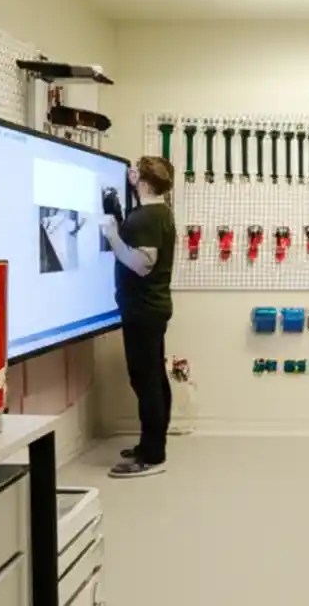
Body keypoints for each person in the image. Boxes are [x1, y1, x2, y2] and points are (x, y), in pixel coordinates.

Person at [101, 156, 177, 478]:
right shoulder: (159, 213)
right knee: (154, 378)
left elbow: (142, 264)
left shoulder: (146, 216)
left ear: (140, 179)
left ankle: (152, 455)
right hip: (152, 308)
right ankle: (152, 443)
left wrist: (112, 236)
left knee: (145, 381)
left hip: (142, 310)